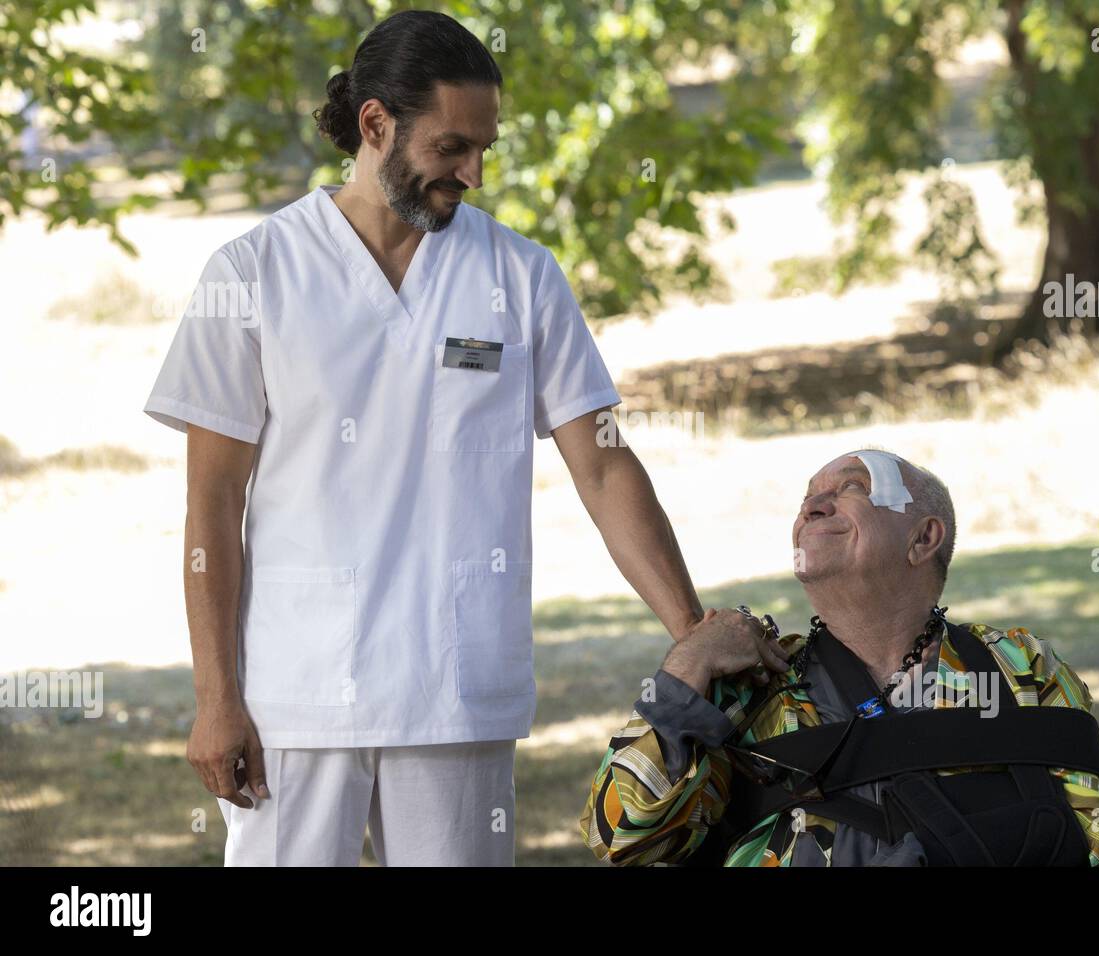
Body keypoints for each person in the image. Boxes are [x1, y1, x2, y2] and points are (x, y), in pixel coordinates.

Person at [144, 10, 703, 866]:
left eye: (484, 148)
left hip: (456, 693)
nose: (473, 173)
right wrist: (217, 695)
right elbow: (212, 502)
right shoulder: (254, 274)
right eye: (451, 148)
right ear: (376, 125)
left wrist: (690, 630)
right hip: (297, 699)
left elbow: (603, 463)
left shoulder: (521, 275)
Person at [580, 450, 1099, 866]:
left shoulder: (1019, 666)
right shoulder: (744, 684)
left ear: (923, 539)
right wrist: (686, 666)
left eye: (851, 487)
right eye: (807, 499)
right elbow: (624, 837)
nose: (812, 506)